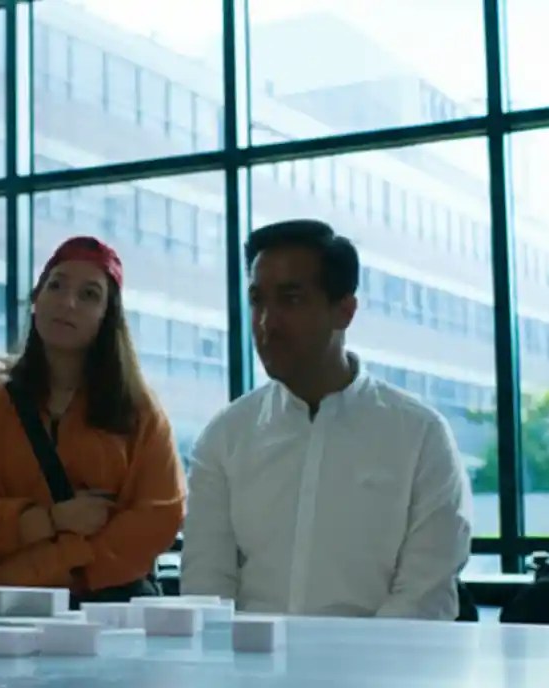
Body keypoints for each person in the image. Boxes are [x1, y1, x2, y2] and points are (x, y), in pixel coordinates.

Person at [180, 219, 473, 620]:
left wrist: (350, 660)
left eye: (291, 300)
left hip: (383, 658)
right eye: (258, 301)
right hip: (250, 658)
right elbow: (206, 589)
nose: (266, 323)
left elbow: (425, 596)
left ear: (344, 311)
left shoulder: (420, 436)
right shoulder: (225, 436)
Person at [0, 236, 186, 602]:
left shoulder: (138, 411)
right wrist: (51, 520)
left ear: (107, 317)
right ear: (36, 300)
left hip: (109, 608)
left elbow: (160, 515)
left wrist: (43, 564)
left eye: (89, 295)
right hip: (9, 610)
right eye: (55, 286)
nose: (67, 302)